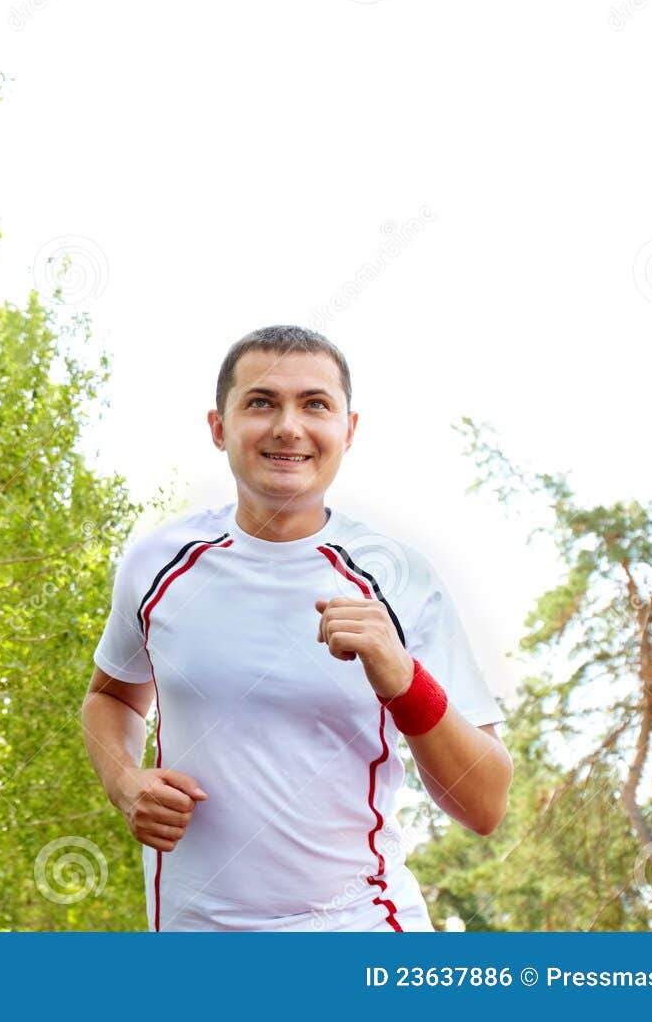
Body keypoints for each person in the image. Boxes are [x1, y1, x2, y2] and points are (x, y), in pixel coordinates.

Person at [81, 325, 512, 931]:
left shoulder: (401, 579)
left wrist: (403, 678)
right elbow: (111, 697)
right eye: (261, 402)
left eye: (315, 404)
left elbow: (486, 802)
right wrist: (123, 782)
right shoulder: (160, 563)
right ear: (218, 427)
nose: (289, 427)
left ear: (348, 431)